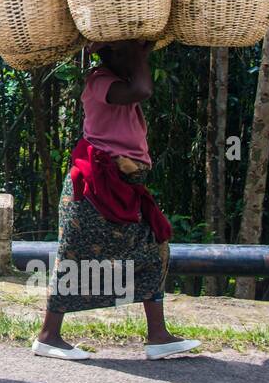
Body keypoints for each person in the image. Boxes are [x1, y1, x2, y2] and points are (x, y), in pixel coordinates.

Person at [32, 39, 199, 361]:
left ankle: (158, 335)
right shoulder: (100, 82)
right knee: (74, 259)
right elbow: (143, 91)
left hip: (121, 187)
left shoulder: (118, 79)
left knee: (154, 250)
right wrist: (137, 55)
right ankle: (49, 336)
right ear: (112, 55)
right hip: (94, 189)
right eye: (128, 53)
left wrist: (137, 51)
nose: (138, 60)